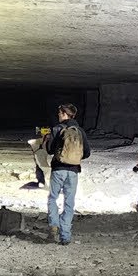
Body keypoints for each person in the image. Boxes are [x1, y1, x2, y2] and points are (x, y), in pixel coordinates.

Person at [45, 103, 90, 245]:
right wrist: (74, 157)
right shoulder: (80, 131)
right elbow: (87, 153)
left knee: (53, 198)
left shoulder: (57, 129)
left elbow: (50, 150)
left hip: (58, 169)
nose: (58, 115)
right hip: (73, 171)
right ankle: (65, 236)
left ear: (65, 114)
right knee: (69, 202)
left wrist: (46, 140)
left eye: (60, 113)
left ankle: (53, 226)